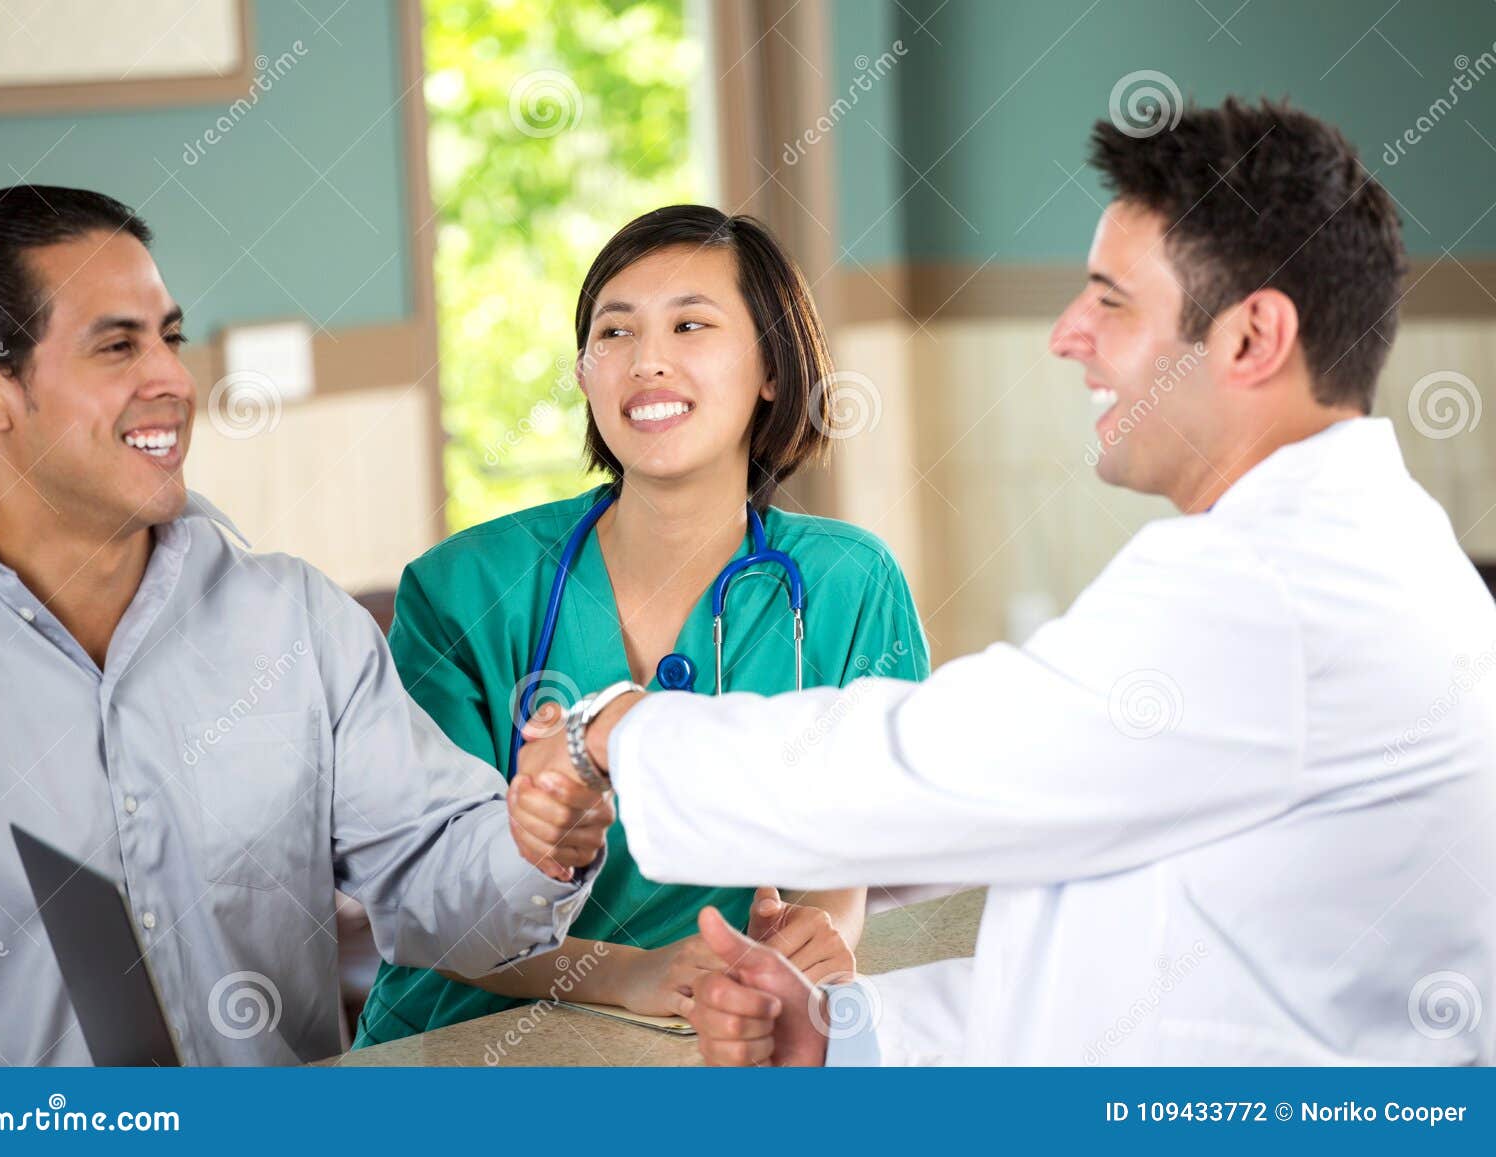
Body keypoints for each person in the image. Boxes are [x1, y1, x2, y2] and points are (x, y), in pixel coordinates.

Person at [508, 100, 1496, 1065]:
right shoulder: (1356, 553)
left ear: (1249, 338)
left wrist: (616, 725)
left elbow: (924, 767)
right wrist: (846, 1031)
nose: (1068, 332)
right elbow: (1121, 965)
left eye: (1110, 298)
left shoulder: (1266, 588)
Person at [0, 186, 610, 1066]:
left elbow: (440, 884)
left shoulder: (294, 622)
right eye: (118, 345)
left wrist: (535, 841)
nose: (171, 381)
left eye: (169, 337)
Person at [354, 205, 928, 1045]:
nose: (647, 361)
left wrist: (826, 923)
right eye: (613, 333)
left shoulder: (850, 582)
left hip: (706, 1039)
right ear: (585, 375)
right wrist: (630, 973)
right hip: (464, 1046)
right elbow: (423, 897)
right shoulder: (464, 588)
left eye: (690, 324)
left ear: (773, 368)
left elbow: (856, 820)